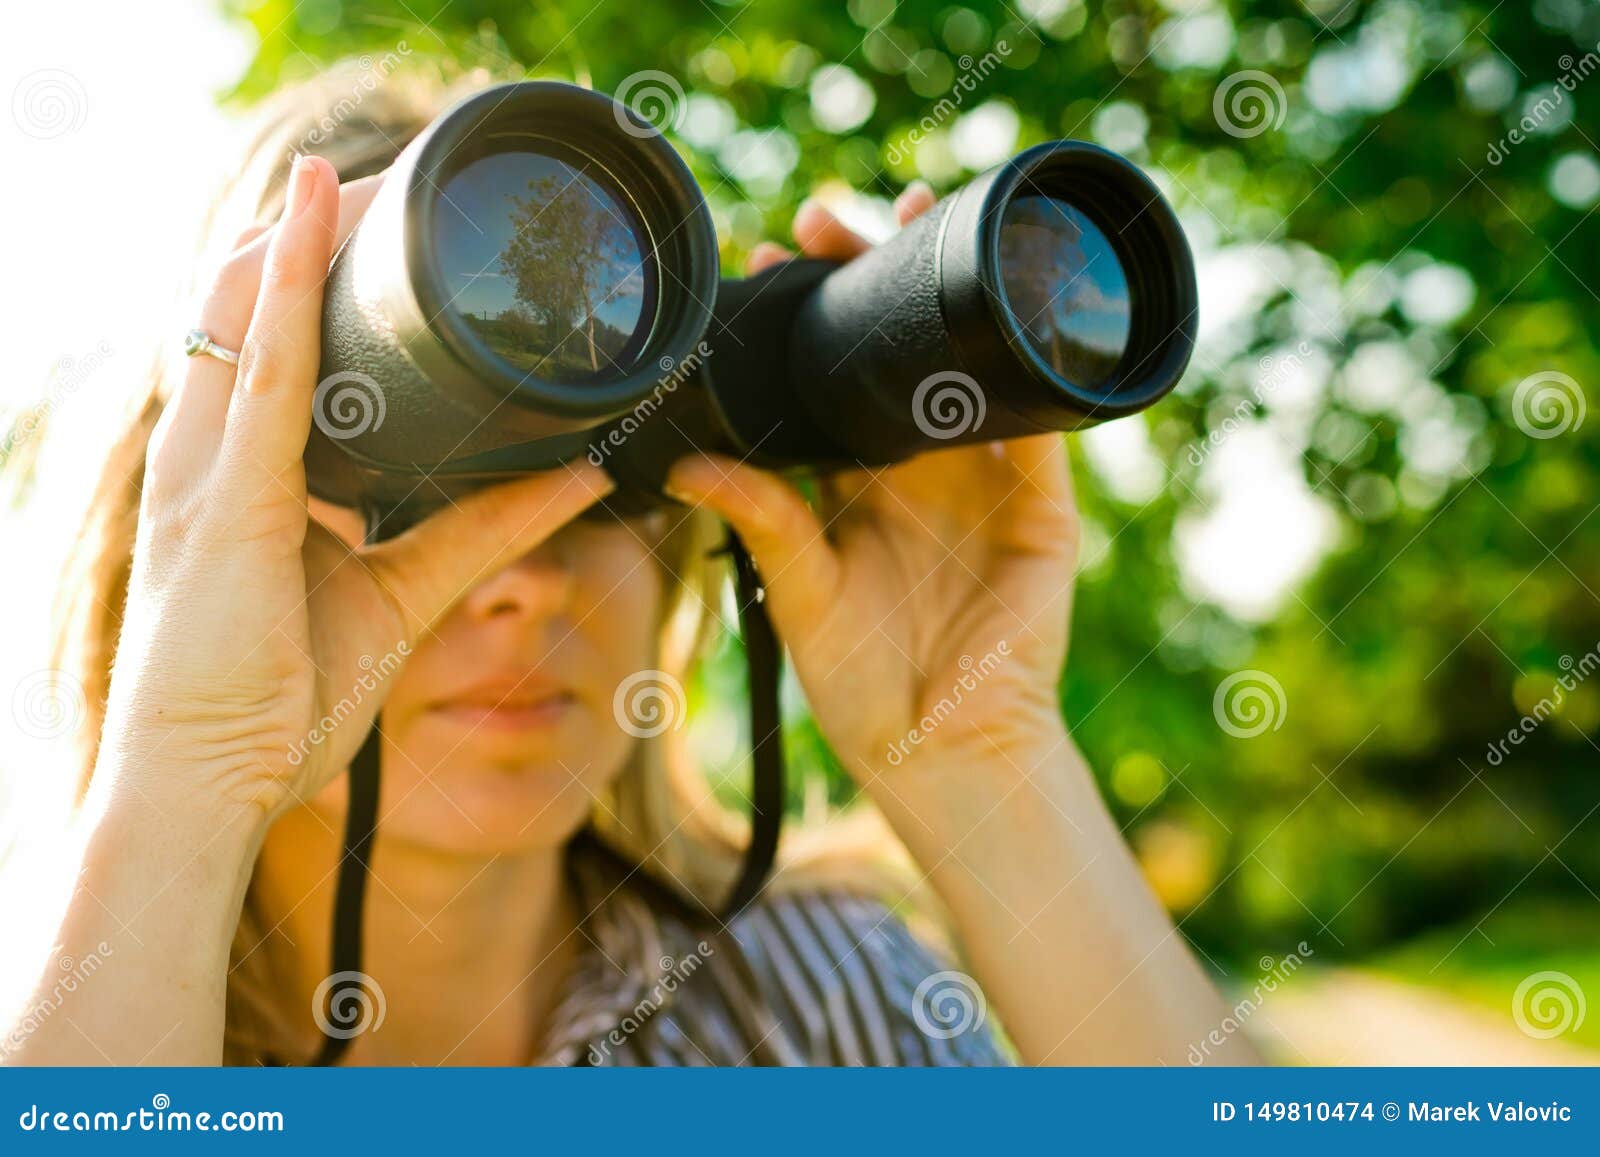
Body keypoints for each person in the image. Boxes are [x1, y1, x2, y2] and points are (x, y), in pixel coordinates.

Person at [2, 66, 1257, 1067]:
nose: (517, 582)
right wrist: (191, 775)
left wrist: (986, 763)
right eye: (426, 497)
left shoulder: (817, 1004)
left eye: (601, 492)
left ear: (675, 549)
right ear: (171, 533)